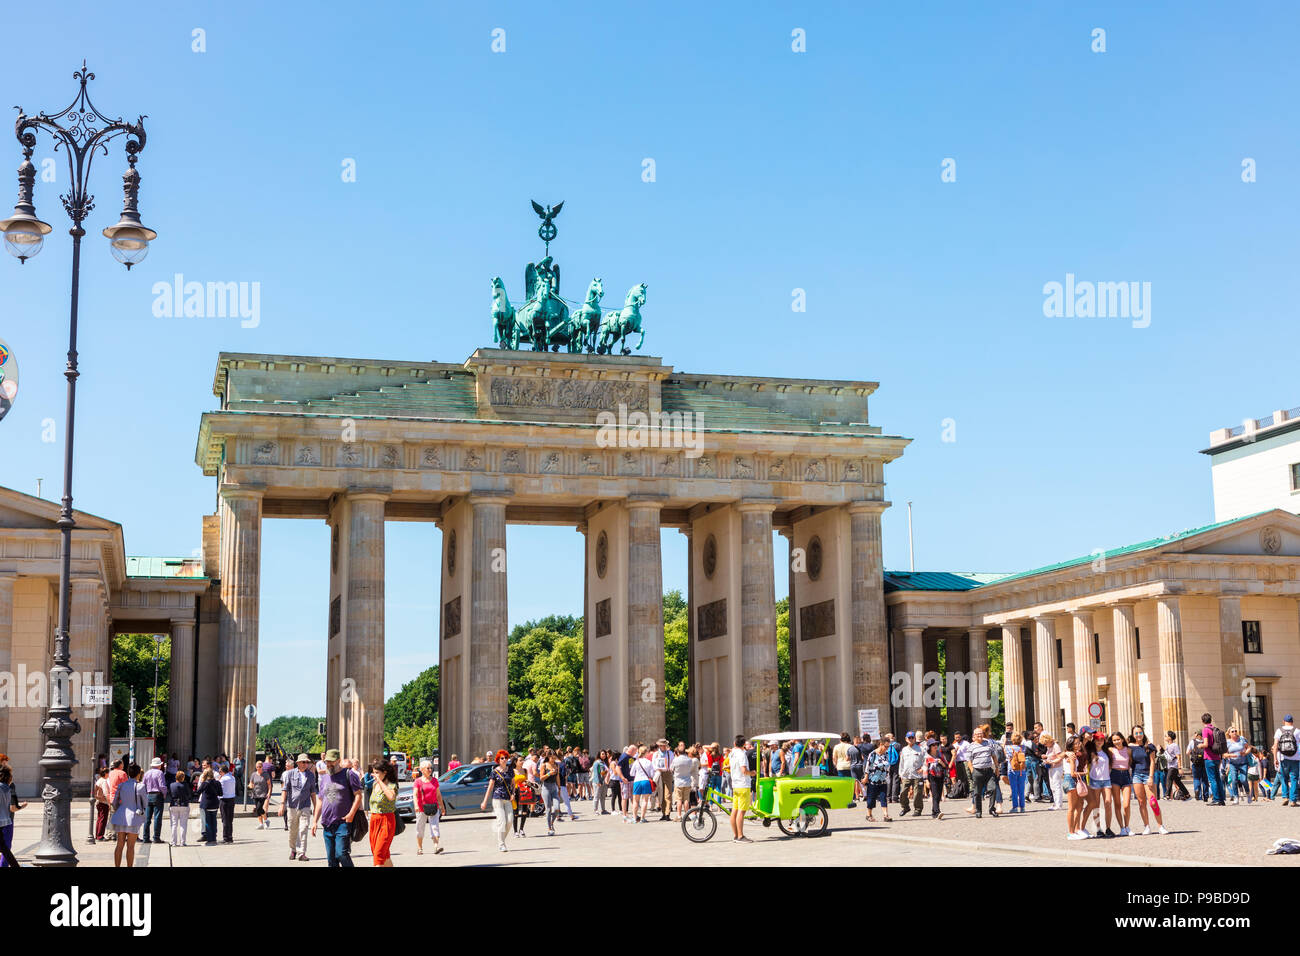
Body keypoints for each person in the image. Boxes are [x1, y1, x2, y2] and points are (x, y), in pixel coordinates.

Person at [312, 748, 364, 868]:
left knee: (341, 853)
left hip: (343, 822)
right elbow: (320, 800)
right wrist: (314, 821)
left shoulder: (349, 775)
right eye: (327, 762)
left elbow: (358, 796)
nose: (328, 764)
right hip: (327, 823)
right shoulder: (325, 777)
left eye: (331, 762)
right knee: (331, 860)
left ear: (338, 761)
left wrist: (351, 814)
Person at [279, 753, 319, 861]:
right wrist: (282, 804)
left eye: (307, 762)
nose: (306, 764)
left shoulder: (310, 775)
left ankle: (302, 853)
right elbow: (285, 790)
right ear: (298, 763)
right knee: (292, 830)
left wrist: (316, 807)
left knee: (304, 828)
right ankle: (293, 849)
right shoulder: (290, 774)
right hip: (292, 806)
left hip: (305, 806)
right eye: (304, 762)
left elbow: (313, 793)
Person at [111, 762, 146, 867]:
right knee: (130, 846)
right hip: (134, 817)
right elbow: (145, 803)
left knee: (119, 845)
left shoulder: (121, 785)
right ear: (138, 774)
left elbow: (114, 802)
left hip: (121, 815)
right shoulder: (140, 786)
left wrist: (119, 809)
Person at [478, 749, 514, 853]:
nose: (504, 759)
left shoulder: (510, 770)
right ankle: (501, 844)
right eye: (502, 758)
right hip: (497, 798)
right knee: (502, 821)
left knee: (510, 820)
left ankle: (501, 839)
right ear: (498, 759)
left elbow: (513, 784)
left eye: (506, 758)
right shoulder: (494, 772)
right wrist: (484, 801)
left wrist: (513, 794)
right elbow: (490, 787)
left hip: (507, 798)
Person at [368, 758, 398, 867]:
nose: (374, 775)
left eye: (377, 772)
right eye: (373, 772)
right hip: (374, 821)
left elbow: (391, 797)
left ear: (385, 773)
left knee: (379, 854)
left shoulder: (391, 785)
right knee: (383, 855)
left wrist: (380, 781)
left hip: (386, 821)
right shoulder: (374, 785)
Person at [414, 758, 445, 854]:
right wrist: (416, 805)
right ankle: (420, 848)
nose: (430, 770)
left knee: (435, 826)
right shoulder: (418, 781)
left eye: (431, 768)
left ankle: (436, 846)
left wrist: (442, 807)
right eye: (428, 768)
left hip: (433, 807)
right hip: (421, 808)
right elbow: (415, 794)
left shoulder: (435, 781)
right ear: (422, 770)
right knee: (420, 828)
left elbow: (438, 795)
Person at [965, 726, 998, 818]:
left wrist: (997, 768)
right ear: (974, 736)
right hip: (977, 771)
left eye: (981, 733)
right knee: (977, 792)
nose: (979, 735)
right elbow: (969, 761)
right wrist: (973, 771)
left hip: (988, 771)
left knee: (993, 789)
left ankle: (992, 809)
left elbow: (994, 756)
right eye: (977, 734)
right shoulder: (971, 746)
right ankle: (978, 811)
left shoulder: (988, 743)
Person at [1105, 732, 1133, 835]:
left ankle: (1127, 826)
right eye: (1114, 740)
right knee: (1117, 804)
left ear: (1122, 739)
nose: (1116, 742)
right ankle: (1122, 828)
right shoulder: (1111, 750)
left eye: (1118, 739)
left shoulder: (1128, 750)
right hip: (1115, 775)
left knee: (1126, 804)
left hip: (1125, 775)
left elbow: (1130, 763)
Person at [728, 734, 753, 843]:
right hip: (743, 784)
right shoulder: (742, 754)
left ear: (734, 743)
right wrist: (752, 773)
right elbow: (744, 770)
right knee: (741, 812)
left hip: (735, 784)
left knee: (735, 810)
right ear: (744, 744)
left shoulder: (732, 754)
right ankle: (740, 836)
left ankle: (735, 835)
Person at [1065, 736, 1089, 839]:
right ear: (1071, 745)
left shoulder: (1073, 754)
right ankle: (1071, 832)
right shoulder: (1072, 756)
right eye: (1076, 743)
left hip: (1073, 780)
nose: (1079, 745)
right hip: (1070, 780)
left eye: (1079, 743)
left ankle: (1075, 830)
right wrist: (1084, 772)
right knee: (1072, 807)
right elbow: (1072, 773)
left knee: (1079, 806)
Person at [1274, 714, 1300, 806]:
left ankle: (1285, 797)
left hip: (1283, 758)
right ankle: (1293, 800)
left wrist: (1275, 759)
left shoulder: (1279, 731)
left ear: (1283, 721)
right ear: (1292, 722)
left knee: (1284, 778)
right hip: (1295, 758)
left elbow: (1276, 745)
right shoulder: (1297, 731)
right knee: (1294, 779)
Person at [0, 765, 24, 867]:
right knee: (5, 849)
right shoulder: (8, 788)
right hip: (4, 821)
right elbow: (11, 807)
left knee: (5, 849)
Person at [1200, 713, 1226, 806]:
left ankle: (1216, 799)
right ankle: (1222, 799)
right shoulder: (1215, 729)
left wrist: (1200, 745)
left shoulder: (1205, 730)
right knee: (1218, 778)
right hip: (1217, 757)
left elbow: (1206, 744)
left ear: (1202, 721)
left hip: (1209, 757)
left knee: (1212, 779)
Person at [864, 737, 892, 822]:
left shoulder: (886, 754)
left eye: (888, 747)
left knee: (883, 797)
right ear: (881, 744)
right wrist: (866, 777)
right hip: (873, 780)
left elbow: (887, 765)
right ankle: (869, 815)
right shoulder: (873, 754)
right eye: (886, 746)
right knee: (871, 798)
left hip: (883, 780)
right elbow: (867, 767)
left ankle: (886, 815)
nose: (887, 748)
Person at [898, 732, 925, 817]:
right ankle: (905, 807)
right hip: (906, 775)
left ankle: (918, 810)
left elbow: (926, 760)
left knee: (917, 794)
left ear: (915, 739)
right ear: (906, 739)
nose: (911, 739)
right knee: (902, 793)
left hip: (917, 775)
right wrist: (901, 774)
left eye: (912, 738)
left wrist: (923, 768)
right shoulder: (904, 749)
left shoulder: (921, 749)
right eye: (909, 738)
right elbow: (901, 763)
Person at [141, 757, 167, 844]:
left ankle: (145, 837)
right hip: (157, 795)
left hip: (148, 795)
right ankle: (156, 837)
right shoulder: (160, 773)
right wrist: (164, 794)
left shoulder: (147, 773)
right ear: (159, 765)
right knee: (157, 817)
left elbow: (143, 785)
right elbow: (162, 786)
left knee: (147, 818)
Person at [630, 745, 657, 823]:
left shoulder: (636, 762)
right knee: (645, 800)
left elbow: (631, 773)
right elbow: (652, 774)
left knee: (635, 801)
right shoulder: (649, 762)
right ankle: (642, 818)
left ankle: (634, 818)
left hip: (637, 781)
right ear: (646, 753)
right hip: (646, 781)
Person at [671, 745, 697, 821]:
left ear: (678, 752)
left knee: (679, 800)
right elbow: (690, 769)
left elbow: (671, 769)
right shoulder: (689, 760)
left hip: (678, 782)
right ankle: (686, 815)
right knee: (686, 800)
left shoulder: (675, 760)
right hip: (687, 781)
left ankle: (679, 816)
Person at [197, 768, 221, 844]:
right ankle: (214, 838)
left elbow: (198, 791)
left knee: (208, 822)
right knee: (214, 821)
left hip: (207, 804)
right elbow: (221, 793)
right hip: (215, 804)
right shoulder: (217, 783)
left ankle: (210, 839)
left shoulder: (205, 783)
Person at [168, 769, 191, 846]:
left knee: (174, 824)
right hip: (184, 804)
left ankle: (173, 842)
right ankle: (182, 842)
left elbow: (170, 794)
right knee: (183, 824)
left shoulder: (171, 785)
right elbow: (189, 794)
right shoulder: (185, 785)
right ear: (183, 777)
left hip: (174, 804)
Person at [924, 741, 947, 819]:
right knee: (935, 794)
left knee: (939, 794)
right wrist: (926, 780)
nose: (935, 746)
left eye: (936, 744)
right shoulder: (927, 756)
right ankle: (937, 812)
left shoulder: (940, 754)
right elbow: (925, 768)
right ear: (929, 747)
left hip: (940, 776)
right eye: (933, 745)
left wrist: (941, 762)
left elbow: (946, 766)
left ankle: (934, 812)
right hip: (932, 776)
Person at [1006, 733, 1027, 813]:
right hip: (1022, 770)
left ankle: (1015, 807)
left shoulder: (1008, 747)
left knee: (1014, 789)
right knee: (1021, 789)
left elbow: (1007, 757)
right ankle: (1022, 807)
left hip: (1012, 770)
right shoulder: (1023, 748)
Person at [217, 763, 237, 843]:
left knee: (225, 819)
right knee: (230, 819)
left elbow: (219, 789)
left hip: (224, 800)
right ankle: (230, 837)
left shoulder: (222, 779)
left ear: (222, 772)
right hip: (232, 799)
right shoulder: (232, 778)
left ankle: (225, 838)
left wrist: (219, 779)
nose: (219, 773)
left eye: (219, 772)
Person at [249, 759, 272, 828]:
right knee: (258, 809)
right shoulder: (253, 774)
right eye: (257, 767)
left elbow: (269, 784)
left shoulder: (265, 774)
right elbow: (251, 783)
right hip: (255, 794)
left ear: (262, 767)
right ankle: (261, 824)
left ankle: (266, 820)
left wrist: (269, 792)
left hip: (263, 794)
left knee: (259, 808)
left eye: (260, 767)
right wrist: (250, 786)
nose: (258, 768)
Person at [93, 766, 112, 841]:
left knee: (99, 819)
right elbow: (106, 793)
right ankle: (100, 836)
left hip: (99, 802)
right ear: (106, 773)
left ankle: (98, 835)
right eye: (108, 773)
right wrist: (109, 803)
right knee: (103, 820)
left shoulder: (99, 780)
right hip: (103, 802)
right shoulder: (104, 781)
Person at [590, 750, 609, 814]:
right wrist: (598, 782)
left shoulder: (604, 762)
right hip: (598, 782)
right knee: (597, 796)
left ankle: (603, 810)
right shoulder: (597, 762)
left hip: (604, 782)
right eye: (602, 754)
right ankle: (595, 810)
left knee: (603, 796)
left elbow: (603, 772)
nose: (604, 755)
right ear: (599, 755)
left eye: (605, 754)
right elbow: (596, 773)